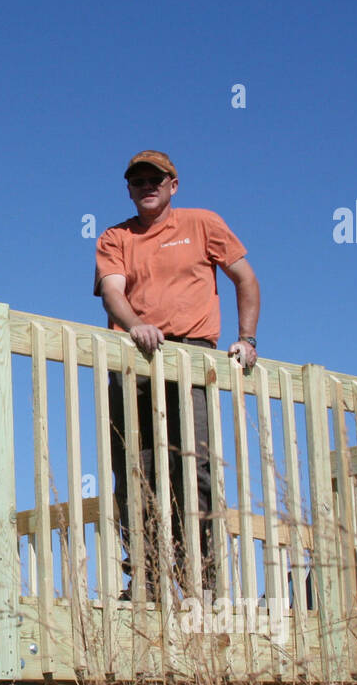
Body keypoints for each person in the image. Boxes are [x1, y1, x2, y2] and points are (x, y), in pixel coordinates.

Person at [94, 151, 261, 602]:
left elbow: (245, 278)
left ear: (173, 184)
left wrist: (247, 339)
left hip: (191, 358)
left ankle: (200, 580)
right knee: (135, 470)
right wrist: (136, 326)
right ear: (128, 189)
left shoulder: (203, 224)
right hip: (135, 360)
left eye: (156, 179)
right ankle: (145, 578)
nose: (147, 186)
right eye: (138, 181)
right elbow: (113, 292)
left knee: (195, 466)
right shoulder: (115, 236)